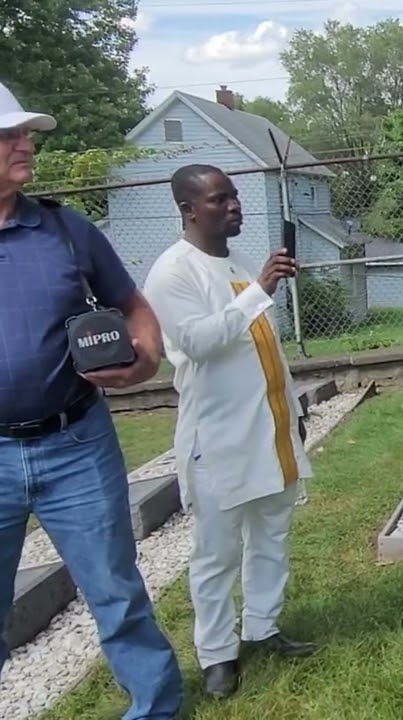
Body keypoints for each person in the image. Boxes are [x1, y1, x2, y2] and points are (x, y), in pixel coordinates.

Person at [0, 82, 183, 716]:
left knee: (115, 592)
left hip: (76, 444)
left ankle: (155, 708)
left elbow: (132, 305)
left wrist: (146, 356)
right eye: (8, 135)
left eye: (26, 133)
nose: (26, 144)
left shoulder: (65, 229)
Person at [143, 163, 317, 699]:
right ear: (189, 210)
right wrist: (260, 289)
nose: (234, 206)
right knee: (216, 554)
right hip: (218, 440)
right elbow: (199, 342)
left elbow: (266, 349)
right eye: (219, 199)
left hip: (269, 430)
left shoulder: (237, 264)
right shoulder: (173, 273)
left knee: (271, 536)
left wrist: (292, 410)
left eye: (234, 196)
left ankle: (262, 625)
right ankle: (217, 653)